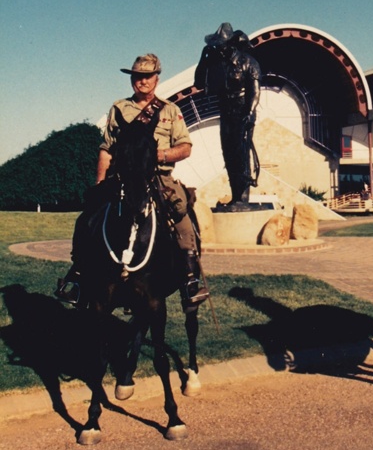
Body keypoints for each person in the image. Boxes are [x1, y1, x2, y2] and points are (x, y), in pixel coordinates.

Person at [56, 54, 207, 307]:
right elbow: (106, 149)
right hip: (122, 176)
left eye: (147, 76)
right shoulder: (119, 108)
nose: (142, 81)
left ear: (157, 79)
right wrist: (100, 184)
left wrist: (160, 155)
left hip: (158, 175)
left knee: (181, 211)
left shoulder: (170, 110)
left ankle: (190, 280)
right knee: (87, 217)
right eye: (137, 77)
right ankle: (79, 277)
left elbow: (185, 147)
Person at [194, 23, 261, 209]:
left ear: (231, 44)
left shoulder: (248, 62)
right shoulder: (216, 63)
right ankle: (235, 196)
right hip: (226, 111)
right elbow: (199, 82)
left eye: (222, 45)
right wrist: (203, 58)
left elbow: (255, 92)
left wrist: (249, 113)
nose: (219, 49)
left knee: (241, 154)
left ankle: (243, 198)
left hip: (243, 111)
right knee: (228, 154)